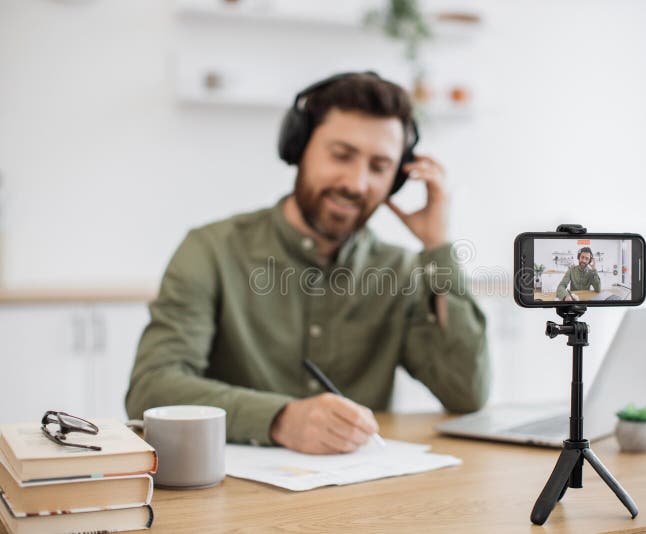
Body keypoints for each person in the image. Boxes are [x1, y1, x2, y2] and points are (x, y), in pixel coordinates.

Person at [125, 72, 490, 454]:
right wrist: (280, 418)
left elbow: (467, 392)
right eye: (341, 155)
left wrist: (438, 245)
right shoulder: (210, 250)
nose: (356, 183)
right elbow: (152, 387)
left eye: (379, 167)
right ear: (298, 148)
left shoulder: (400, 271)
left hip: (361, 499)